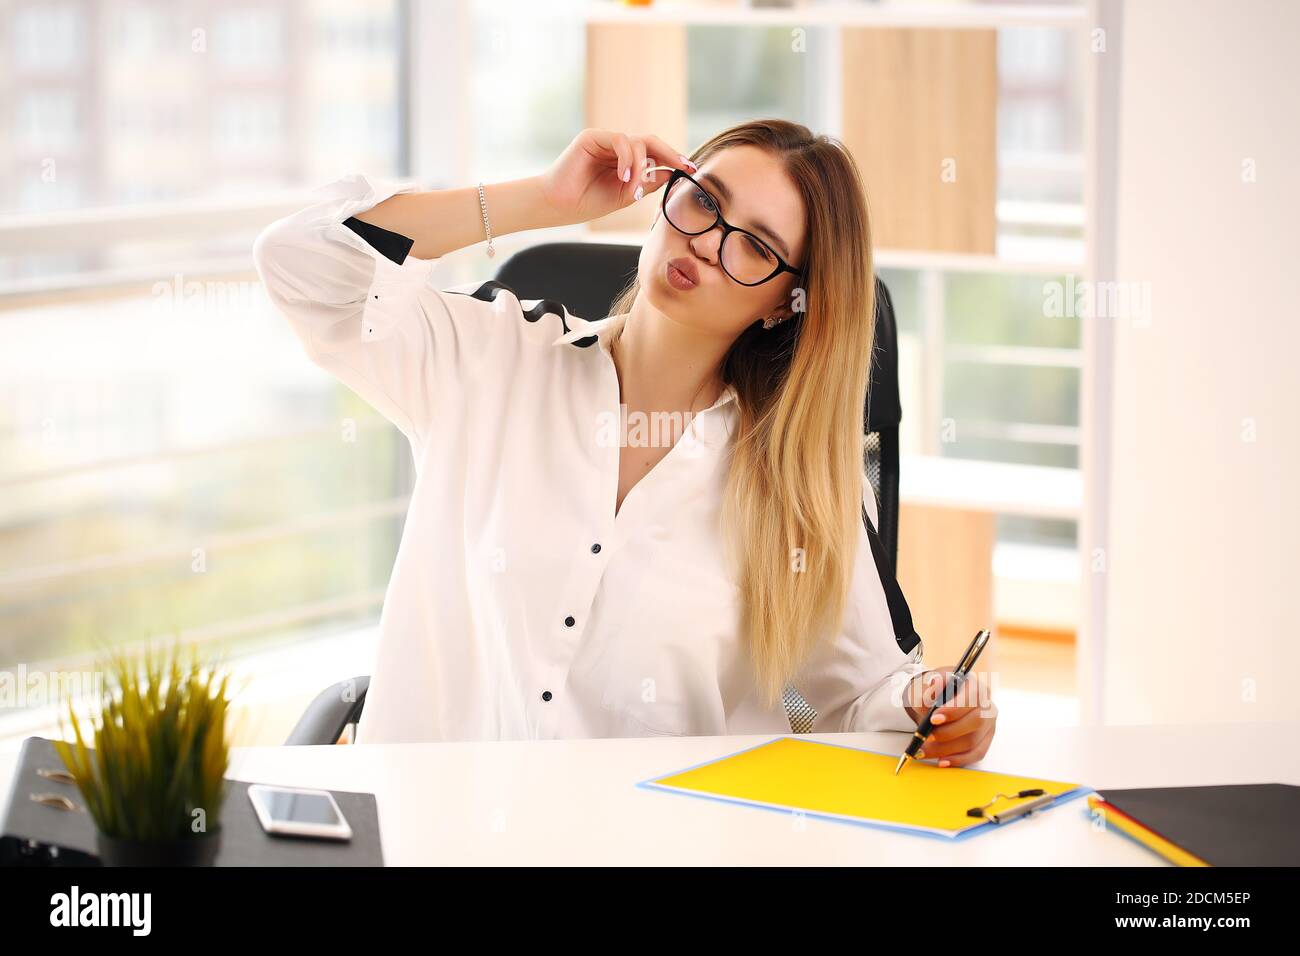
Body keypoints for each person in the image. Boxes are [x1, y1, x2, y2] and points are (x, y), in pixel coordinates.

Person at [252, 119, 996, 766]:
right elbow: (300, 262)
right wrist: (546, 199)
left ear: (784, 305)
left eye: (757, 247)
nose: (706, 243)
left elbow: (859, 698)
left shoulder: (793, 484)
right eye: (704, 199)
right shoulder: (491, 364)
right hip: (428, 837)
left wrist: (934, 705)